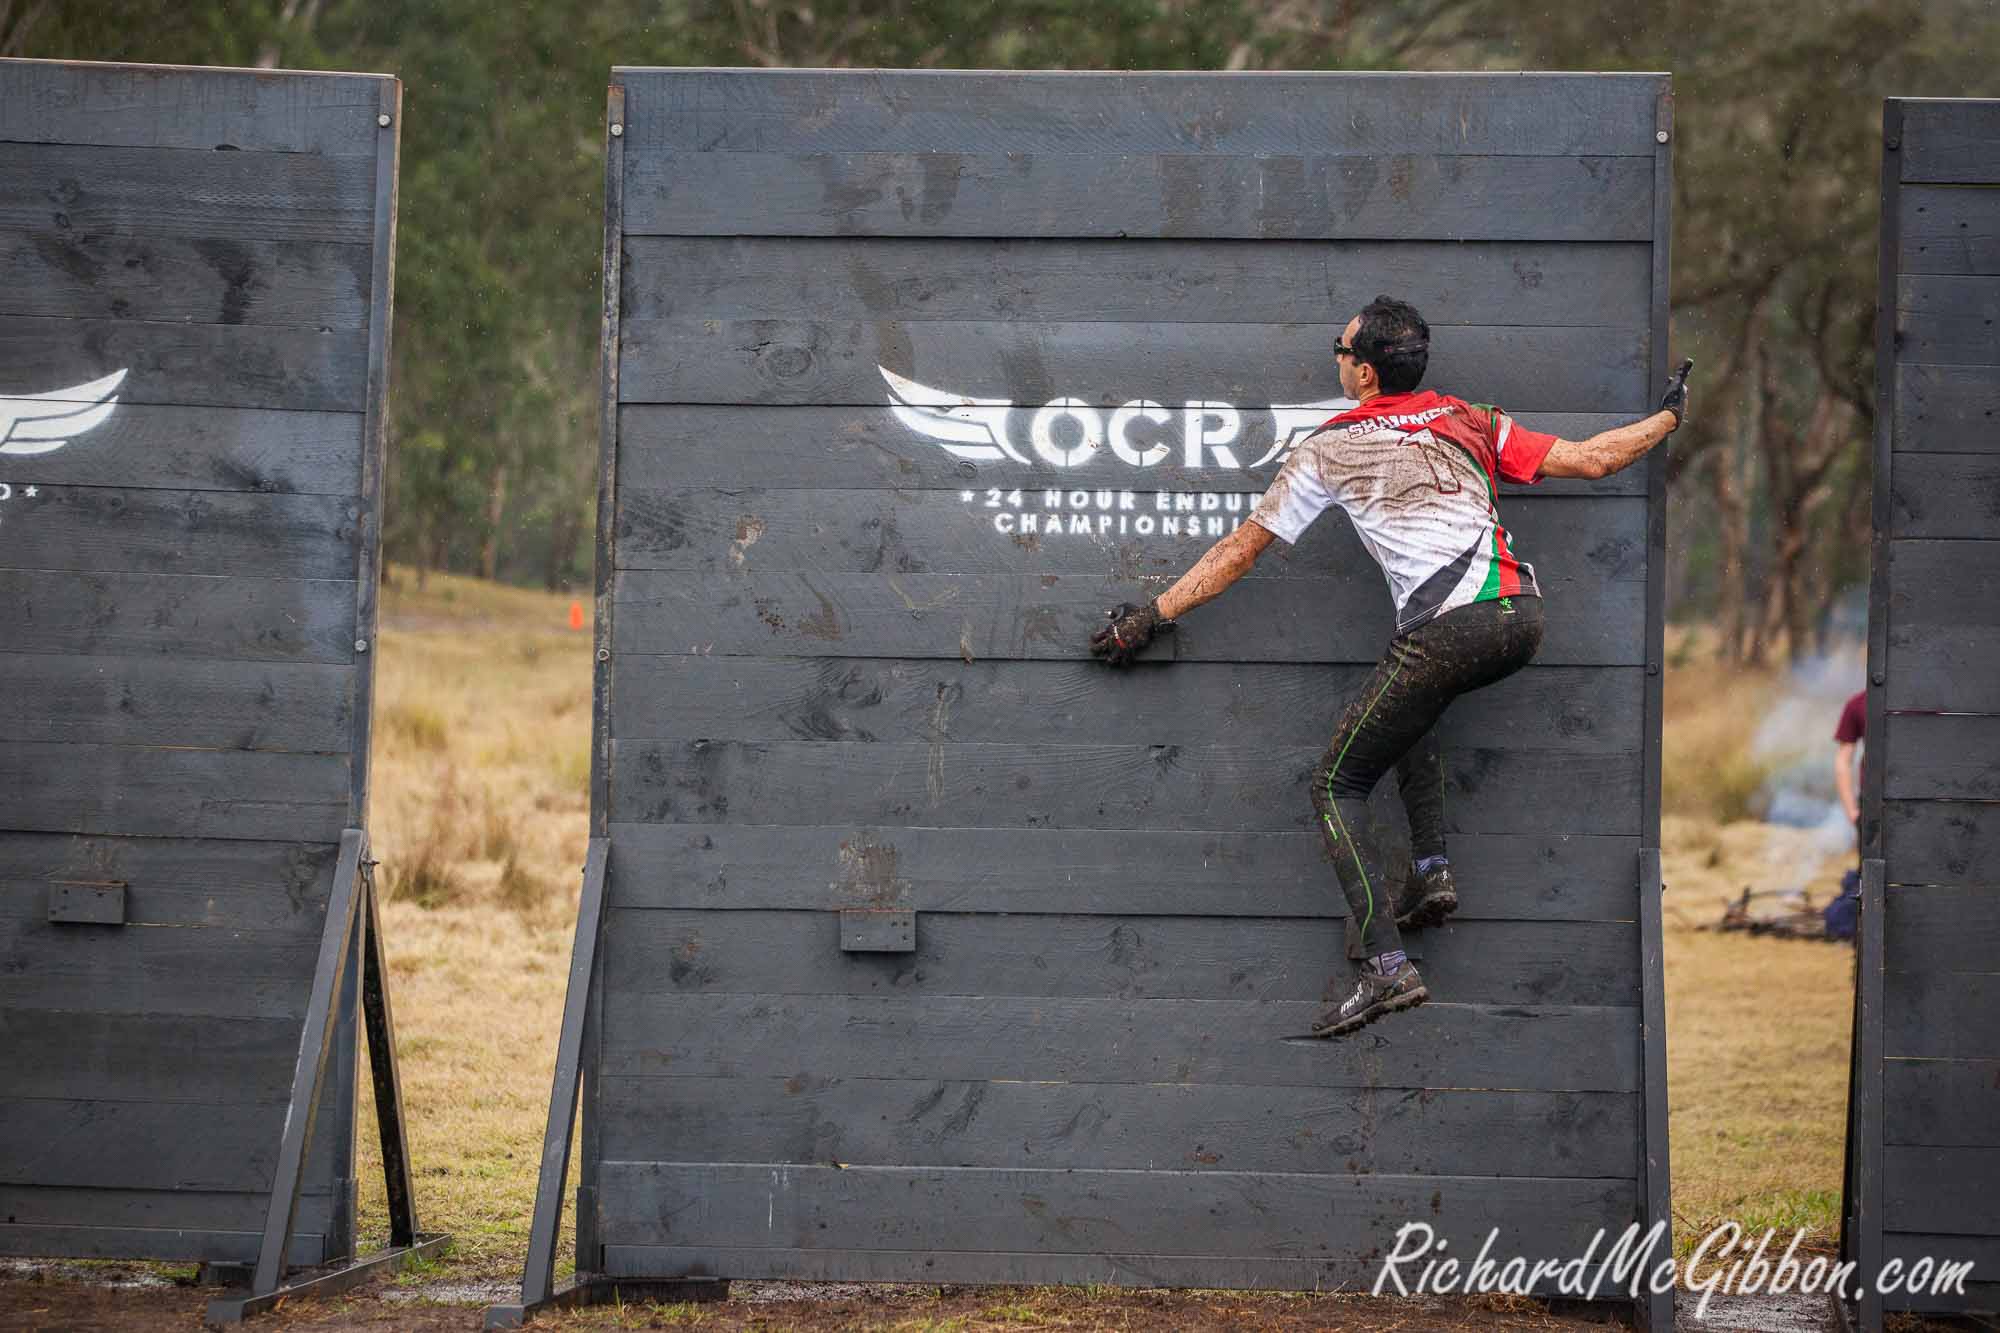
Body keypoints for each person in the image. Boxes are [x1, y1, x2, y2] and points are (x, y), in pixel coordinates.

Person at [1088, 295, 1692, 1037]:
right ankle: (1431, 870)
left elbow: (1242, 549)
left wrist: (1153, 614)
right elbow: (1594, 458)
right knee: (1411, 709)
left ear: (1365, 373)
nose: (1335, 360)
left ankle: (1386, 968)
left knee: (1334, 784)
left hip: (1449, 628)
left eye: (1339, 352)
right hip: (1521, 618)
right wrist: (1667, 420)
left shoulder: (1331, 446)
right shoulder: (1468, 417)